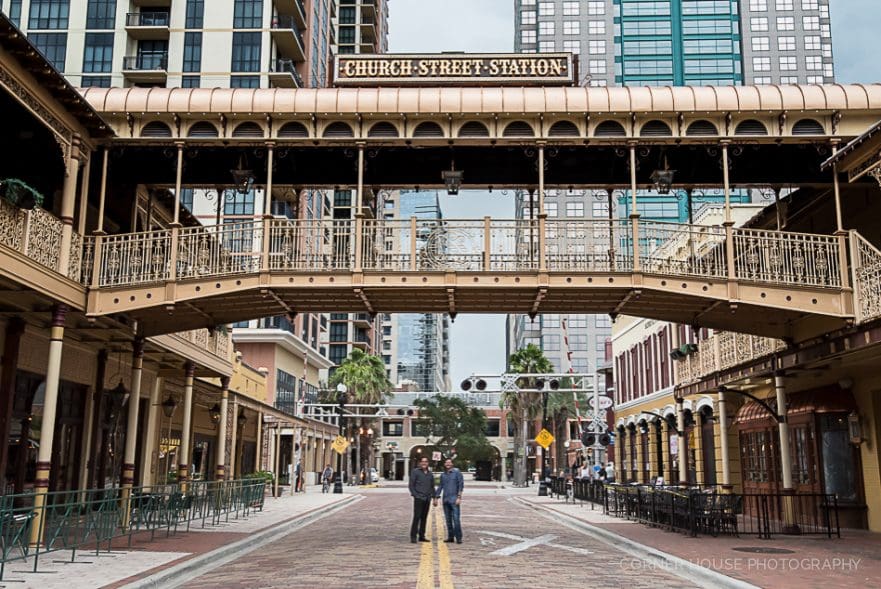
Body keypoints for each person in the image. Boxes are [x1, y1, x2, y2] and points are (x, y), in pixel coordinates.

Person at [433, 458, 464, 544]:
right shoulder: (443, 475)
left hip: (454, 500)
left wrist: (459, 497)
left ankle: (458, 538)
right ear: (444, 464)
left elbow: (461, 485)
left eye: (449, 462)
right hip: (446, 500)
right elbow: (440, 487)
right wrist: (436, 497)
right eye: (446, 462)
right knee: (448, 520)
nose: (448, 464)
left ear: (452, 464)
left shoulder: (457, 473)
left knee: (456, 519)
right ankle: (450, 537)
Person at [409, 456, 434, 544]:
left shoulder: (430, 474)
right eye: (422, 461)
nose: (424, 463)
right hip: (419, 498)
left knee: (424, 518)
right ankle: (413, 536)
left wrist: (433, 497)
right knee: (417, 517)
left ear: (428, 463)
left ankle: (422, 536)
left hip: (427, 498)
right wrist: (416, 495)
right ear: (420, 463)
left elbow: (432, 486)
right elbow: (411, 485)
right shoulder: (415, 472)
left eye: (426, 461)